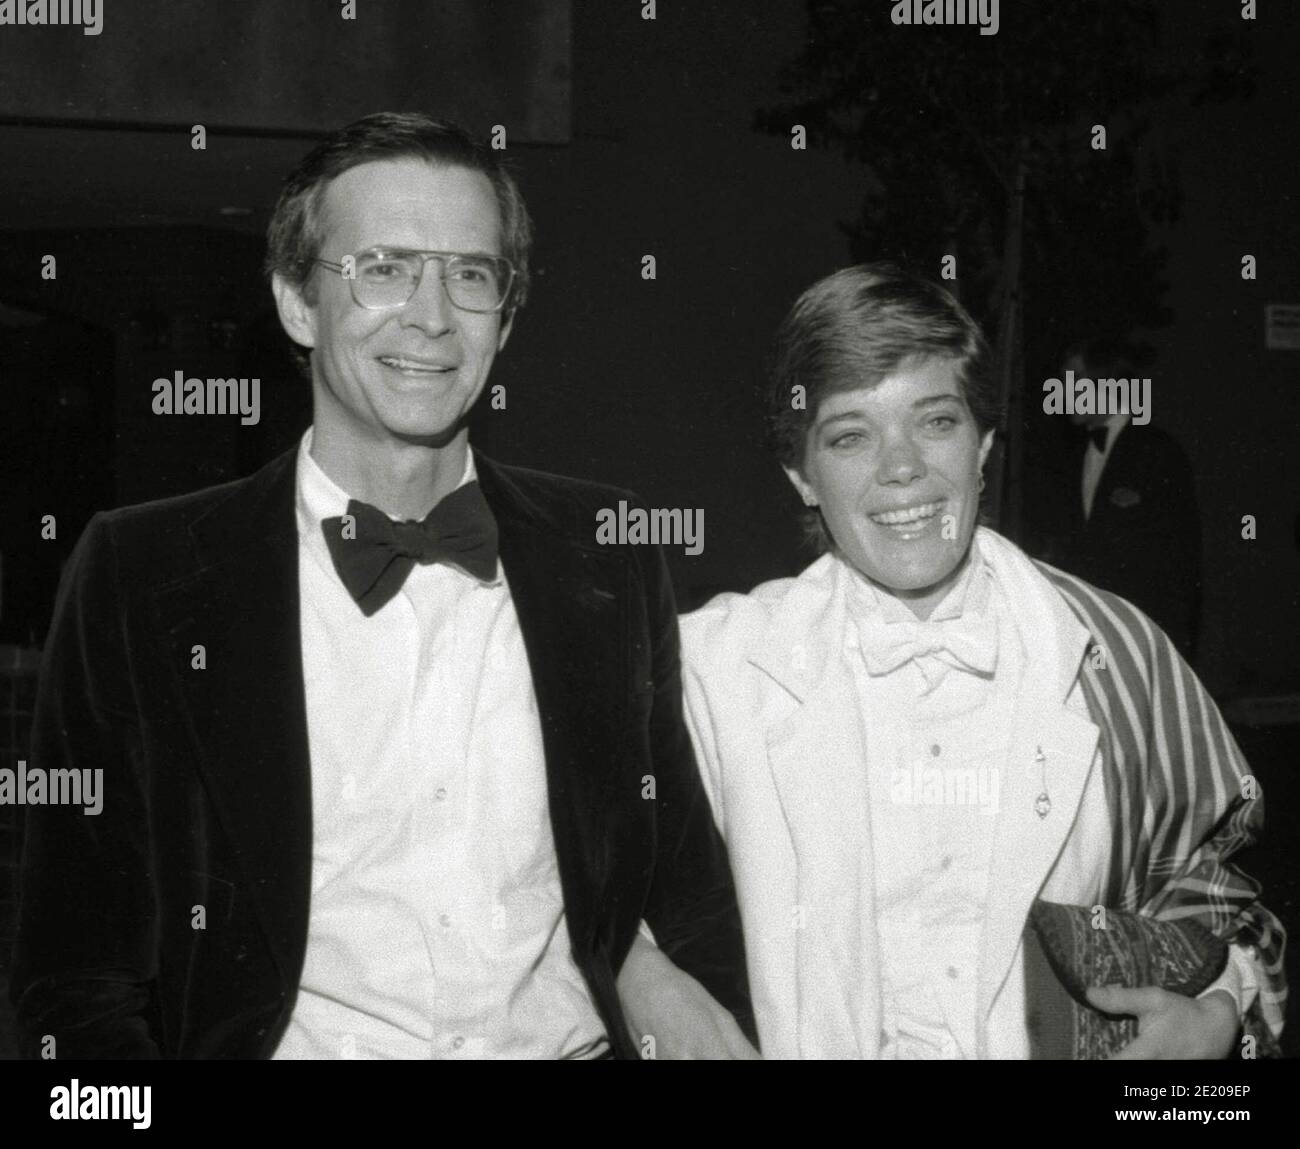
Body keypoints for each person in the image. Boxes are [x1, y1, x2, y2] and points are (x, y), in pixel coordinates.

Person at [10, 112, 755, 1060]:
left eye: (470, 275)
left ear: (507, 316)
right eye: (385, 268)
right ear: (294, 299)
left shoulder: (606, 550)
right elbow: (75, 980)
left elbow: (683, 891)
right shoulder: (139, 571)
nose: (432, 316)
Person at [680, 264, 1284, 1059]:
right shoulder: (715, 668)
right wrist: (648, 978)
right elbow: (574, 886)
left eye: (935, 422)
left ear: (985, 442)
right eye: (851, 435)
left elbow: (1219, 889)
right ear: (800, 473)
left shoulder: (1117, 653)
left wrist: (1216, 1008)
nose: (902, 467)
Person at [1031, 336, 1201, 661]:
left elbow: (1180, 563)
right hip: (1090, 633)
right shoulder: (1070, 457)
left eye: (1073, 382)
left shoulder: (1158, 452)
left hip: (1142, 636)